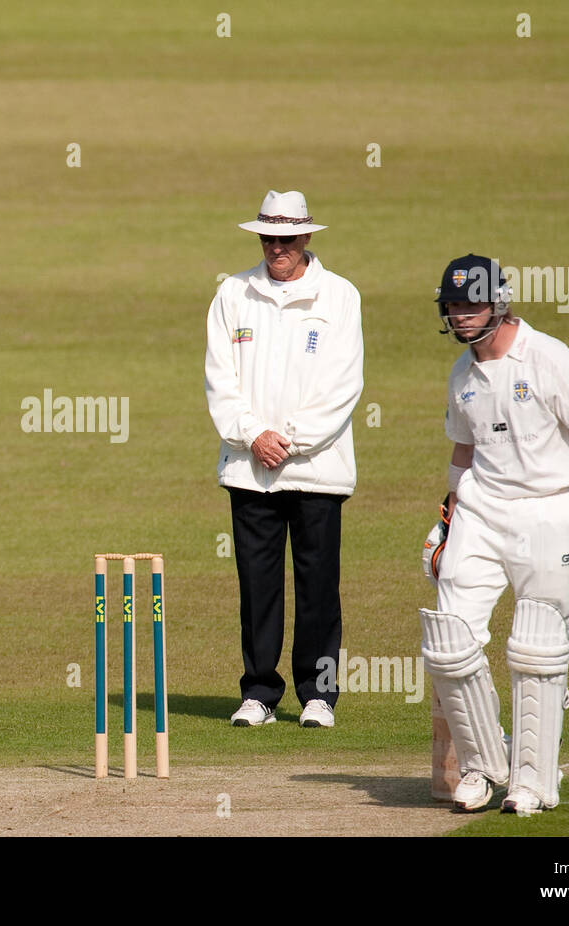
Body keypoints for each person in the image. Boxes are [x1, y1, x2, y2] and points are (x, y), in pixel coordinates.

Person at [420, 254, 569, 814]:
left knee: (538, 647)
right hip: (480, 513)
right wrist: (445, 521)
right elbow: (463, 453)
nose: (462, 315)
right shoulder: (462, 373)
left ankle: (533, 781)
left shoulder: (549, 357)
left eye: (472, 303)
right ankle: (483, 765)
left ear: (499, 302)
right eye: (454, 304)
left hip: (546, 511)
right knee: (448, 639)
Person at [204, 190, 364, 730]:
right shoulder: (233, 293)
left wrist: (287, 440)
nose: (277, 247)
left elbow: (344, 385)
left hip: (316, 468)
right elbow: (218, 378)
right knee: (258, 584)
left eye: (286, 238)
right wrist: (253, 436)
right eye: (268, 237)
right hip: (251, 467)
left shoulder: (340, 296)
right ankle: (260, 692)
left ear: (307, 237)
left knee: (318, 585)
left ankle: (318, 695)